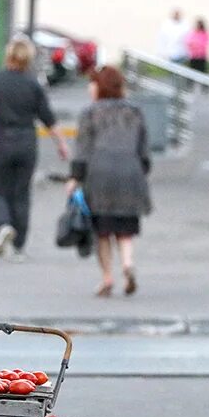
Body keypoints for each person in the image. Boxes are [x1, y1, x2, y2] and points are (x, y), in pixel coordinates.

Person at [0, 36, 69, 262]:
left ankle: (3, 225)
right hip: (26, 144)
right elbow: (48, 118)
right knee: (21, 194)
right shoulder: (33, 84)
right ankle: (18, 247)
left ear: (8, 56)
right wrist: (61, 144)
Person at [66, 66, 152, 297]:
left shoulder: (90, 113)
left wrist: (75, 177)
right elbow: (143, 149)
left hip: (100, 175)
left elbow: (82, 150)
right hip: (130, 172)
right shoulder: (135, 112)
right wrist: (141, 168)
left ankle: (107, 278)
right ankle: (127, 264)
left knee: (102, 231)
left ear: (100, 86)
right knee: (125, 229)